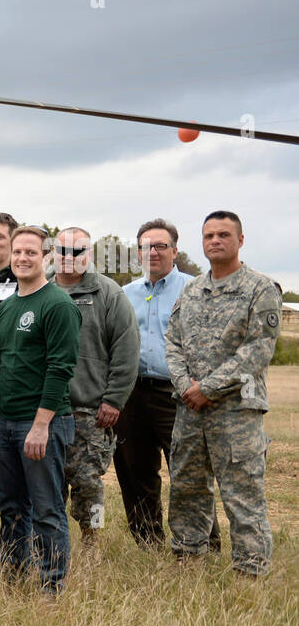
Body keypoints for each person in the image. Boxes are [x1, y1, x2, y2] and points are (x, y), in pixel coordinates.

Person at [165, 210, 280, 577]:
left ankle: (250, 571)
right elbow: (173, 341)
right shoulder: (191, 289)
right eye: (209, 235)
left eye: (224, 235)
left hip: (236, 412)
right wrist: (186, 387)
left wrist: (208, 388)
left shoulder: (261, 288)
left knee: (242, 494)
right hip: (190, 411)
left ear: (240, 240)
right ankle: (188, 560)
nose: (215, 241)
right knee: (186, 489)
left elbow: (257, 349)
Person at [0, 226, 81, 595]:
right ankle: (14, 569)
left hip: (41, 424)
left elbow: (60, 369)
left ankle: (51, 584)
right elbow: (0, 366)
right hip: (6, 422)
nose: (22, 259)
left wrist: (41, 425)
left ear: (47, 257)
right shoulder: (7, 307)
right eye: (18, 252)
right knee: (10, 505)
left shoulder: (57, 304)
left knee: (47, 508)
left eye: (31, 253)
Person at [114, 219, 205, 546]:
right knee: (135, 473)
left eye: (160, 246)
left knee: (188, 474)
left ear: (175, 250)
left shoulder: (195, 289)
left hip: (178, 394)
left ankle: (200, 545)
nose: (152, 252)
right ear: (138, 252)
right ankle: (147, 544)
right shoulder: (125, 294)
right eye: (146, 247)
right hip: (132, 394)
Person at [50, 227, 138, 544]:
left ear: (89, 254)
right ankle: (50, 542)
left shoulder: (109, 294)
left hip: (89, 412)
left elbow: (127, 351)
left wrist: (113, 400)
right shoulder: (41, 288)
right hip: (46, 409)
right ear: (52, 252)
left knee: (89, 485)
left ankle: (93, 537)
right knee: (49, 483)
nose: (69, 258)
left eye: (77, 251)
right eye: (62, 250)